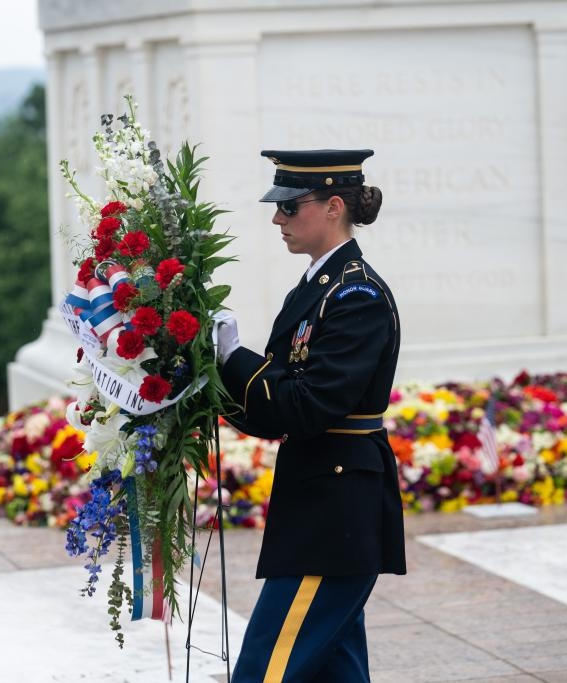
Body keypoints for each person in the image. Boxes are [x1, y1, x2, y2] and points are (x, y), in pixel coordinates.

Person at [215, 149, 406, 682]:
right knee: (335, 673)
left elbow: (307, 406)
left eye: (290, 206)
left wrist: (233, 358)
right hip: (319, 503)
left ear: (333, 207)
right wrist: (207, 379)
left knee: (264, 672)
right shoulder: (317, 288)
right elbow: (277, 409)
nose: (278, 219)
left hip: (334, 514)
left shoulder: (356, 296)